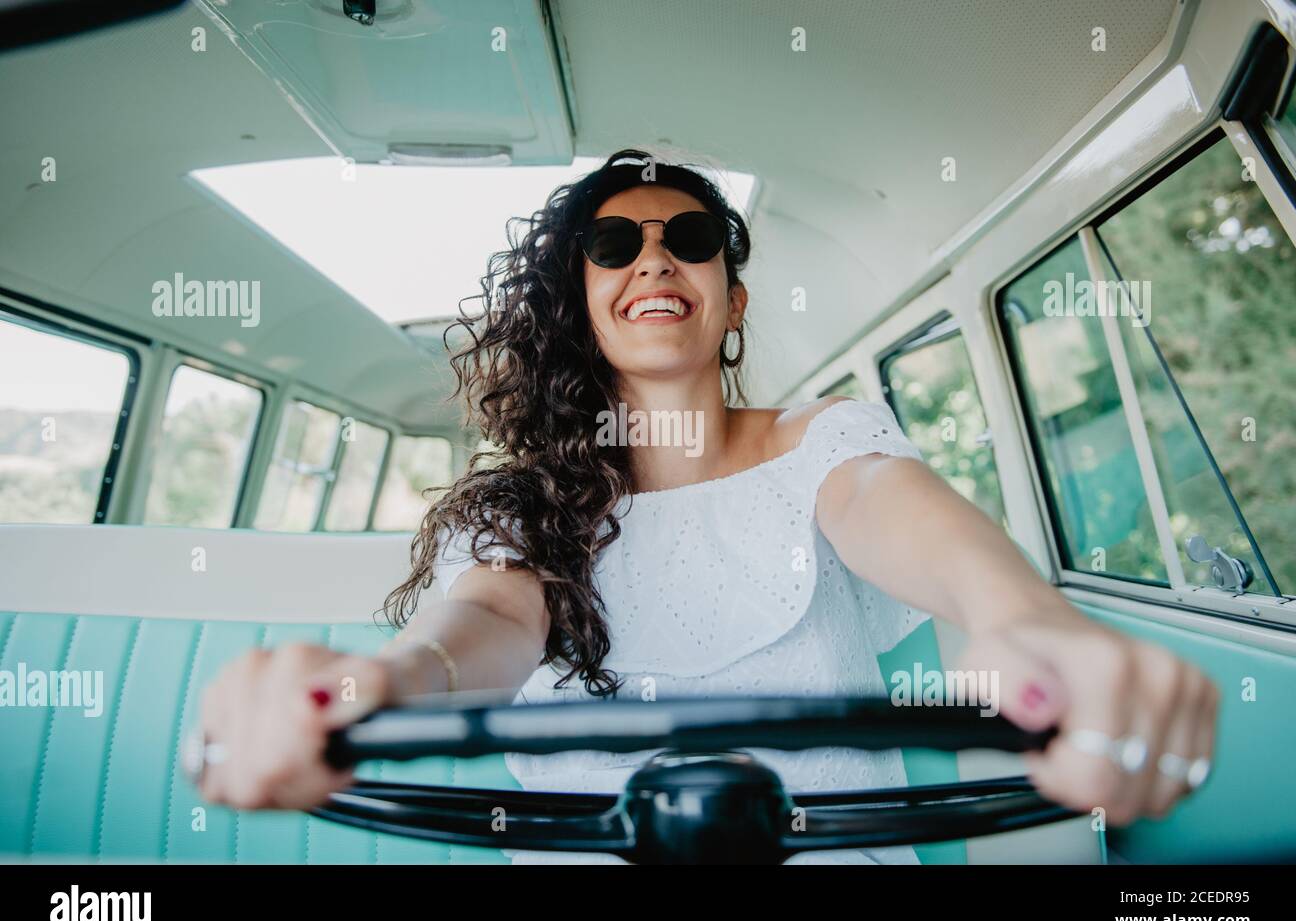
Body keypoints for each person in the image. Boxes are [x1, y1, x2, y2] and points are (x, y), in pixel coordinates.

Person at [195, 149, 1219, 863]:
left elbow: (902, 521)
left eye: (688, 237)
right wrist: (384, 680)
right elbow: (487, 622)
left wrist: (1027, 626)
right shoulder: (517, 507)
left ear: (731, 298)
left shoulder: (823, 444)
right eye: (614, 246)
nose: (654, 258)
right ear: (581, 303)